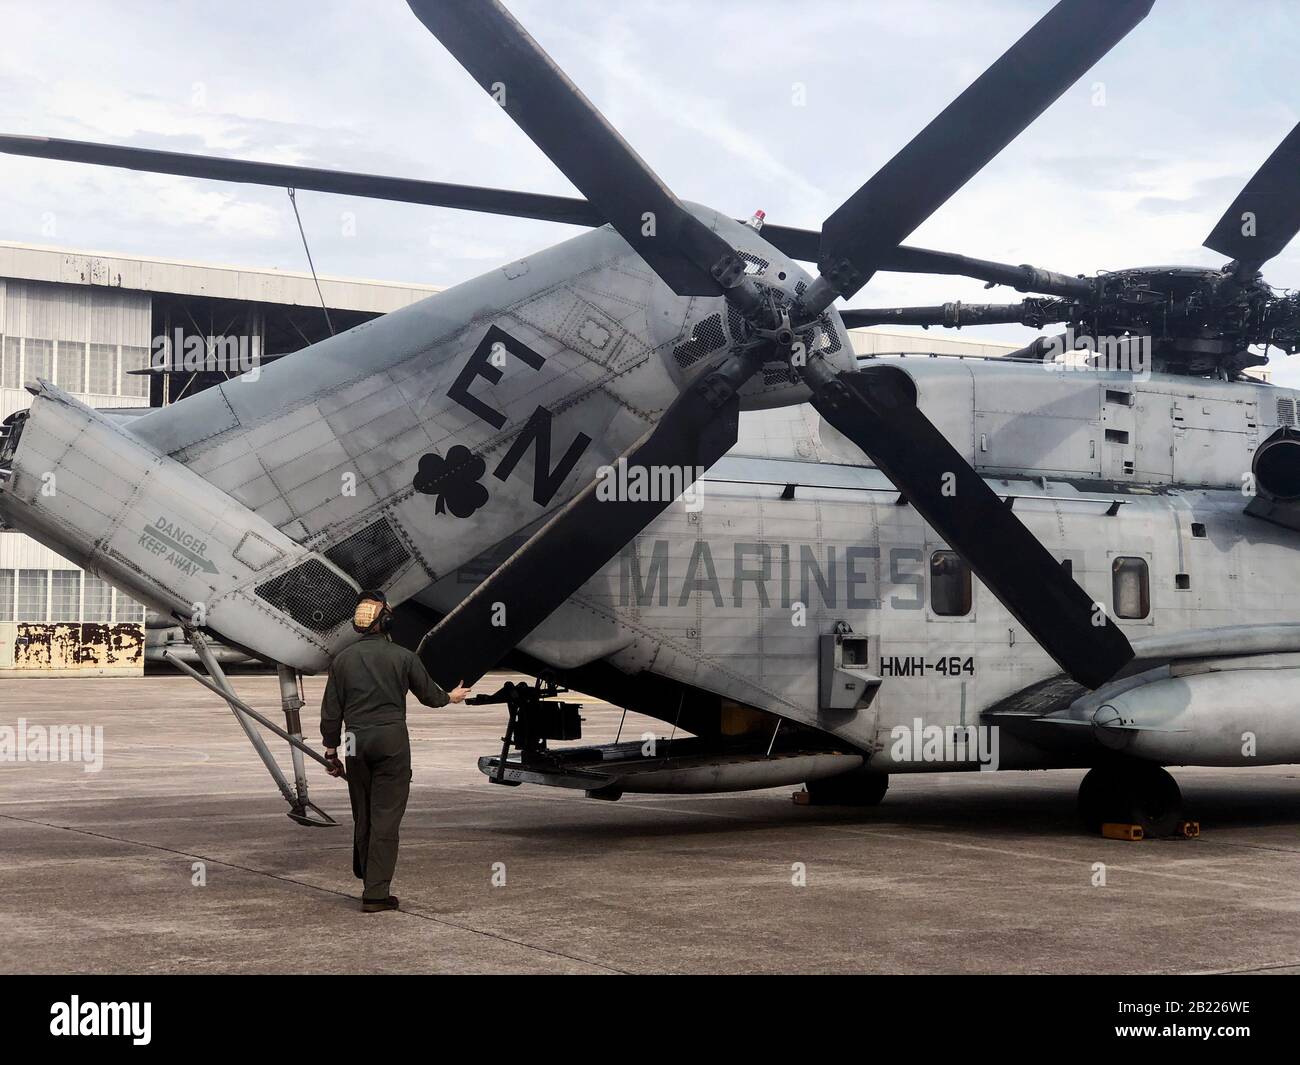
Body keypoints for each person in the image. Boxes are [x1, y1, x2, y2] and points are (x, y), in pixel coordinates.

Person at [320, 589, 470, 912]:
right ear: (386, 620)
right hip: (391, 743)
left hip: (354, 743)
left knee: (364, 814)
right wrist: (452, 697)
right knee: (386, 819)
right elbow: (430, 696)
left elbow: (331, 713)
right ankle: (375, 893)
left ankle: (367, 871)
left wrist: (331, 753)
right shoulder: (404, 657)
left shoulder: (341, 661)